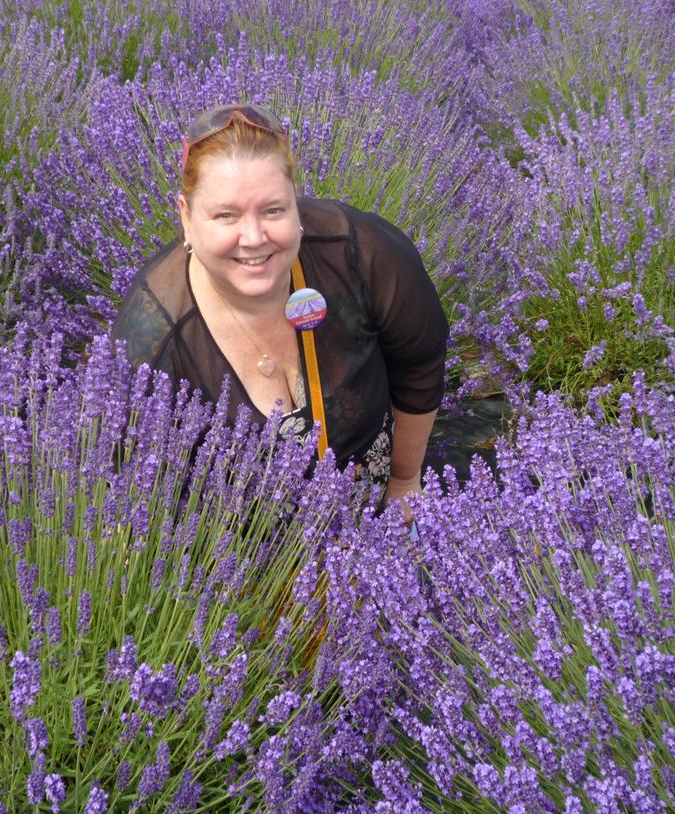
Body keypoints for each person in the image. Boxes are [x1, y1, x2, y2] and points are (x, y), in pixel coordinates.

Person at [110, 103, 448, 517]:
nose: (253, 238)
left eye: (273, 210)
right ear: (187, 216)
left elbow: (420, 364)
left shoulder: (362, 256)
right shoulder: (152, 341)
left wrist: (404, 481)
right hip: (242, 564)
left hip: (378, 529)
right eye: (226, 215)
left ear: (295, 202)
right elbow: (140, 497)